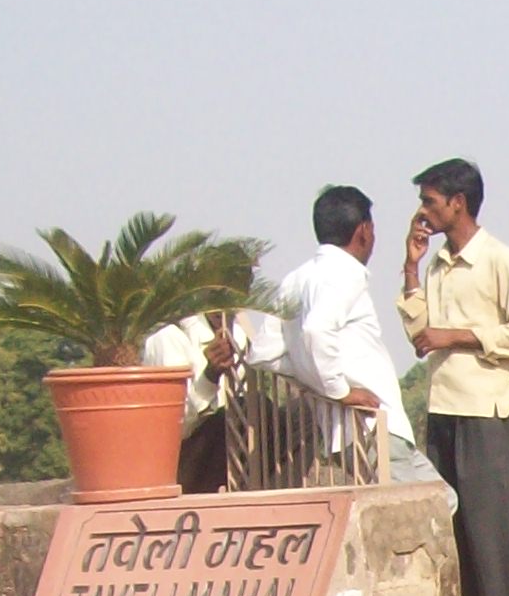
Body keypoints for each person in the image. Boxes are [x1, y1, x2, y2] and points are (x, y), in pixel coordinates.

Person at [400, 158, 509, 596]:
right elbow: (420, 336)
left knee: (494, 526)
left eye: (430, 201)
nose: (423, 212)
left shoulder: (501, 260)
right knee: (461, 528)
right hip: (443, 406)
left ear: (457, 203)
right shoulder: (439, 264)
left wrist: (459, 335)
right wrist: (411, 269)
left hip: (484, 409)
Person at [272, 186, 414, 482]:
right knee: (428, 505)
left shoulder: (295, 280)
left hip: (344, 429)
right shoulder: (344, 273)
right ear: (364, 230)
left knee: (431, 500)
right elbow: (316, 330)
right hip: (372, 426)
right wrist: (339, 390)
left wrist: (315, 378)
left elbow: (265, 354)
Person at [142, 304, 282, 492]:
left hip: (230, 448)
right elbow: (176, 425)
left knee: (298, 415)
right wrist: (210, 376)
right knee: (250, 406)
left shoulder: (240, 337)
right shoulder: (170, 337)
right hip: (184, 458)